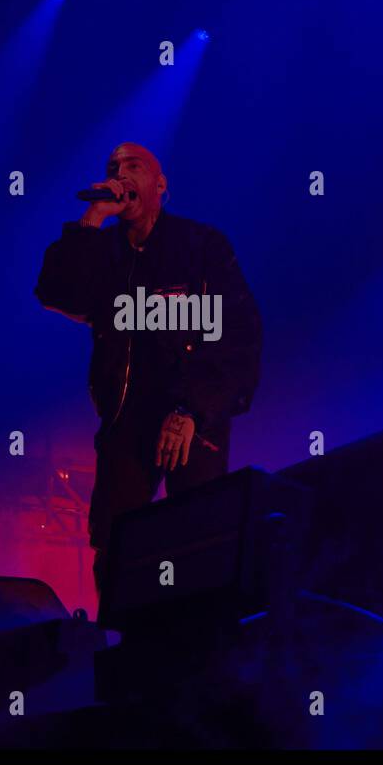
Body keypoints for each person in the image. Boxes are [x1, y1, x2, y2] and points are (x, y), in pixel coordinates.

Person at [35, 142, 262, 596]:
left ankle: (202, 645)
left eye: (133, 167)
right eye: (113, 168)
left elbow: (240, 335)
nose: (120, 173)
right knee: (115, 540)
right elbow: (57, 292)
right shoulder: (104, 251)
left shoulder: (202, 247)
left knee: (198, 533)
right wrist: (92, 220)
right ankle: (125, 645)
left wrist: (193, 410)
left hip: (191, 416)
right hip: (126, 419)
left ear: (161, 186)